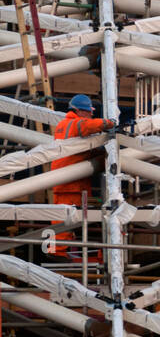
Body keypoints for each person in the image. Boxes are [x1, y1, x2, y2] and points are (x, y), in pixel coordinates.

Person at [50, 94, 116, 259]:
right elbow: (87, 126)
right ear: (79, 111)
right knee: (65, 218)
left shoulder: (63, 125)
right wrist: (109, 124)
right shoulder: (75, 123)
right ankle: (57, 251)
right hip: (70, 179)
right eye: (89, 112)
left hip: (63, 177)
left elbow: (77, 149)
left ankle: (59, 250)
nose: (91, 114)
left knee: (62, 217)